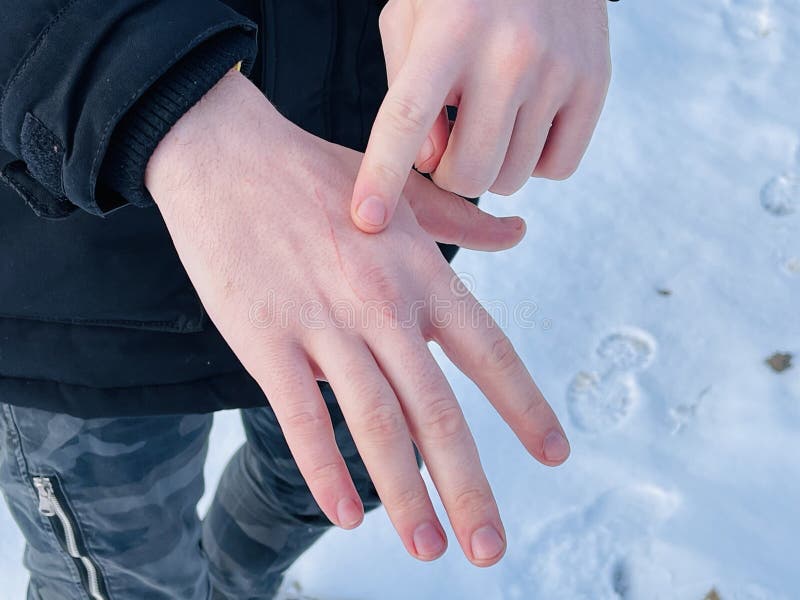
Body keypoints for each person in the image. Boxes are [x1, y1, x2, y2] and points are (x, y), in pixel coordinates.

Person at [0, 1, 612, 598]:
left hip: (366, 239)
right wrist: (149, 91)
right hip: (82, 296)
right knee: (126, 575)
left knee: (341, 482)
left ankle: (238, 587)